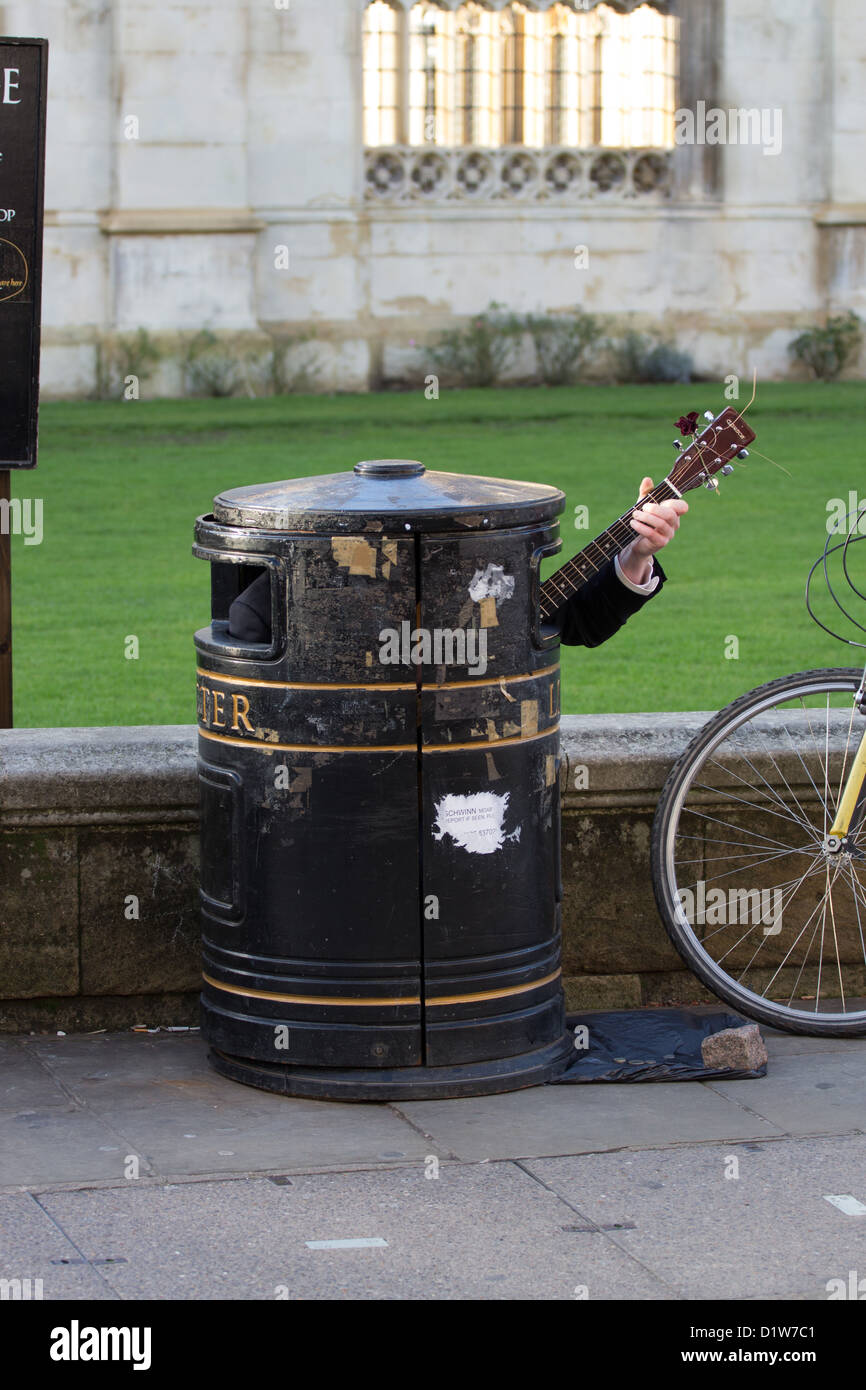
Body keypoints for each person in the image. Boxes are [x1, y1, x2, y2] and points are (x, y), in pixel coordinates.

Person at [226, 476, 688, 645]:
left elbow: (578, 621)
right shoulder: (324, 575)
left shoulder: (473, 568)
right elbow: (250, 623)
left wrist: (635, 553)